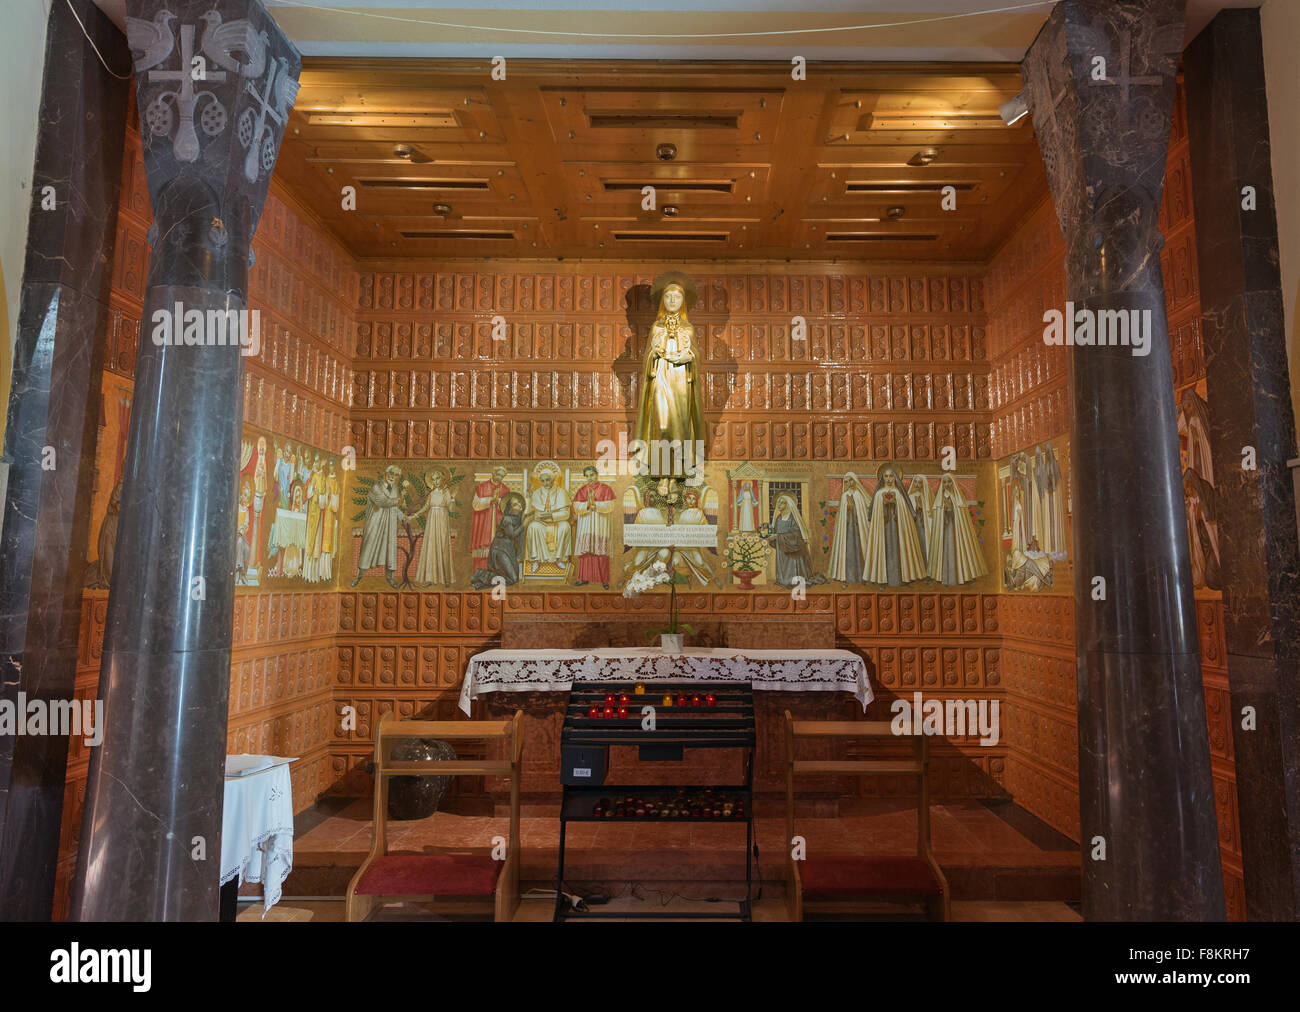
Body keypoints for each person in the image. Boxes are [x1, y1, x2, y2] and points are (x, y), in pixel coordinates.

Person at [633, 276, 706, 477]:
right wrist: (653, 354)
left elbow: (696, 356)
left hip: (681, 380)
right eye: (668, 296)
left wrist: (689, 357)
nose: (673, 301)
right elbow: (647, 357)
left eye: (677, 297)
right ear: (663, 300)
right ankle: (660, 472)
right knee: (661, 424)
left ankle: (677, 474)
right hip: (661, 378)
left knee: (680, 427)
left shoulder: (688, 329)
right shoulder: (656, 328)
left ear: (683, 301)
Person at [862, 465, 927, 586]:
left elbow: (905, 513)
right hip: (883, 530)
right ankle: (882, 579)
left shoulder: (899, 493)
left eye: (891, 476)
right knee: (883, 549)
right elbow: (876, 515)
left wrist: (895, 504)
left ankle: (902, 578)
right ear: (882, 478)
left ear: (895, 478)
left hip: (898, 530)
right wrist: (883, 504)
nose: (888, 479)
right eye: (886, 476)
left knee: (900, 550)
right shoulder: (878, 494)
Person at [927, 473, 989, 585]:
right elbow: (937, 518)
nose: (947, 484)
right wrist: (944, 511)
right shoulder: (939, 499)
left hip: (957, 532)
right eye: (944, 482)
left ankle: (964, 576)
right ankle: (944, 577)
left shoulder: (958, 498)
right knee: (945, 550)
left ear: (953, 482)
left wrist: (952, 510)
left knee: (960, 550)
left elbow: (962, 518)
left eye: (949, 481)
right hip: (944, 531)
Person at [353, 465, 404, 587]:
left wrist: (403, 517)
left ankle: (390, 577)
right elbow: (383, 502)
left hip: (389, 524)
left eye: (395, 475)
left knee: (390, 549)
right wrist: (398, 500)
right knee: (369, 548)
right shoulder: (377, 487)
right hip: (375, 523)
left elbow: (394, 507)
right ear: (385, 474)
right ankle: (359, 576)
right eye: (390, 474)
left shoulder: (395, 489)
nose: (392, 477)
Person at [409, 468, 456, 587]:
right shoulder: (432, 493)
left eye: (438, 478)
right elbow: (426, 507)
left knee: (443, 547)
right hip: (431, 520)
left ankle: (446, 579)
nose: (435, 481)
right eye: (433, 480)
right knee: (432, 546)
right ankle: (433, 578)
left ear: (443, 479)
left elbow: (451, 509)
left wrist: (452, 499)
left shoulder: (446, 492)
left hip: (442, 520)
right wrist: (415, 514)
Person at [470, 493, 525, 590]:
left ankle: (484, 579)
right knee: (513, 579)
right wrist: (524, 525)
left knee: (513, 579)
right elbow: (511, 535)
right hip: (500, 550)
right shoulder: (507, 519)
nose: (519, 506)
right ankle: (480, 574)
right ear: (510, 507)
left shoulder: (518, 519)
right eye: (515, 504)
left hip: (509, 551)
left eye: (520, 503)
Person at [572, 465, 615, 588]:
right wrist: (587, 506)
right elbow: (576, 507)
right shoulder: (582, 490)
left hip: (600, 524)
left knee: (601, 552)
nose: (590, 478)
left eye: (592, 475)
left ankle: (604, 580)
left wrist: (596, 506)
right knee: (586, 551)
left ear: (596, 475)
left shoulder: (606, 489)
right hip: (585, 524)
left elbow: (611, 505)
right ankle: (584, 578)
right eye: (587, 476)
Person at [524, 463, 572, 573]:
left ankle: (558, 559)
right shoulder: (536, 493)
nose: (546, 483)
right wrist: (528, 499)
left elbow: (566, 514)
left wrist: (552, 515)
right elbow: (531, 512)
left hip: (557, 522)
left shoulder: (561, 492)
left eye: (548, 480)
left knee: (565, 526)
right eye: (543, 481)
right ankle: (536, 560)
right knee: (533, 527)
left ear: (553, 480)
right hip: (541, 522)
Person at [768, 493, 823, 588]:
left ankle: (793, 580)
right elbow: (775, 533)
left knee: (793, 567)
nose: (779, 505)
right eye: (778, 503)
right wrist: (771, 537)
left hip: (794, 550)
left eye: (782, 503)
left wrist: (778, 536)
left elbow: (796, 535)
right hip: (782, 548)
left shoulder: (793, 519)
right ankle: (783, 579)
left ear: (788, 505)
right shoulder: (778, 519)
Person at [827, 472, 871, 584]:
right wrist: (848, 508)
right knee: (848, 551)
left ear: (855, 481)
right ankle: (847, 578)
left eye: (850, 480)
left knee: (860, 549)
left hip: (858, 529)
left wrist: (853, 507)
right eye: (846, 481)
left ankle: (862, 577)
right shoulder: (844, 496)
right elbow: (842, 516)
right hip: (847, 530)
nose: (848, 483)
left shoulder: (859, 495)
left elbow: (865, 513)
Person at [471, 466, 510, 572]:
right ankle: (480, 573)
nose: (500, 477)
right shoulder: (481, 487)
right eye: (498, 475)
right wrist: (490, 500)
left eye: (502, 476)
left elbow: (507, 508)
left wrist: (499, 501)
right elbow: (475, 504)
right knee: (483, 549)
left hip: (498, 521)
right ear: (493, 473)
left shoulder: (506, 490)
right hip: (484, 522)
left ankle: (497, 573)